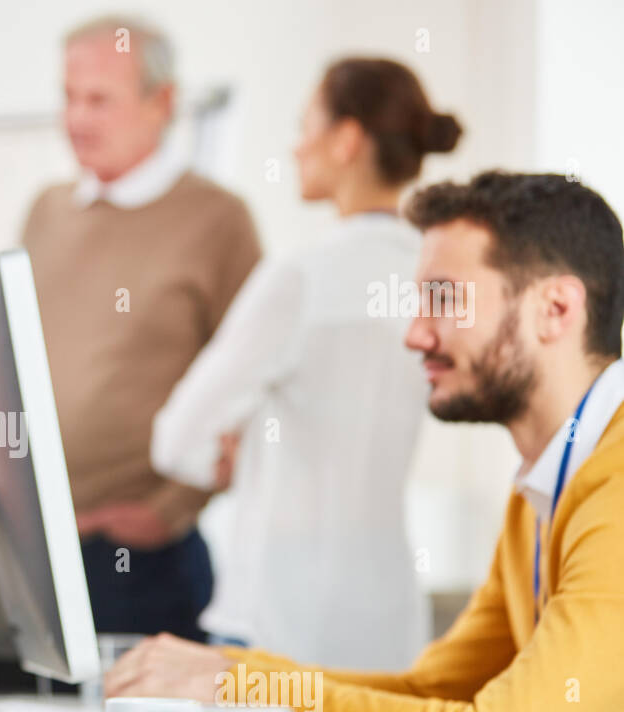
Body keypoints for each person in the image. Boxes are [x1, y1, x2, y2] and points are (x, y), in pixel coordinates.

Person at [107, 171, 624, 712]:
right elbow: (436, 693)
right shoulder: (546, 487)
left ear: (556, 310)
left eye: (443, 301)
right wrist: (230, 672)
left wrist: (236, 685)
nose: (415, 335)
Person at [151, 58, 462, 670]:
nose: (295, 148)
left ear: (346, 140)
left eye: (305, 127)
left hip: (277, 621)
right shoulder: (435, 280)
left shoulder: (301, 278)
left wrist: (234, 452)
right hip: (387, 624)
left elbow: (174, 441)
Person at [21, 16, 261, 639]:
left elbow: (252, 386)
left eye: (99, 99)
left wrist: (172, 511)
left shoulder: (218, 221)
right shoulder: (47, 212)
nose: (77, 118)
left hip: (141, 562)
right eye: (69, 97)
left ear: (163, 103)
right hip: (33, 546)